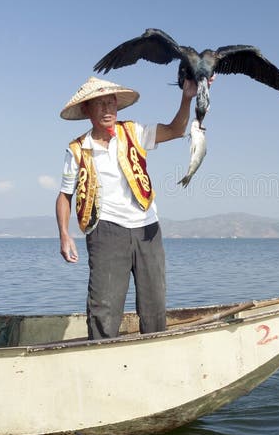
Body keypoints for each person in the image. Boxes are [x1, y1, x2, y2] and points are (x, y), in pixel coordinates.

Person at [56, 75, 197, 340]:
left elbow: (177, 130)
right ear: (87, 109)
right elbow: (65, 195)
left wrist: (186, 97)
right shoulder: (77, 149)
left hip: (147, 229)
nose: (108, 110)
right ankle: (100, 357)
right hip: (105, 231)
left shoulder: (134, 132)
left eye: (111, 103)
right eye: (100, 104)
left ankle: (155, 353)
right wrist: (65, 235)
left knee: (154, 302)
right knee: (104, 308)